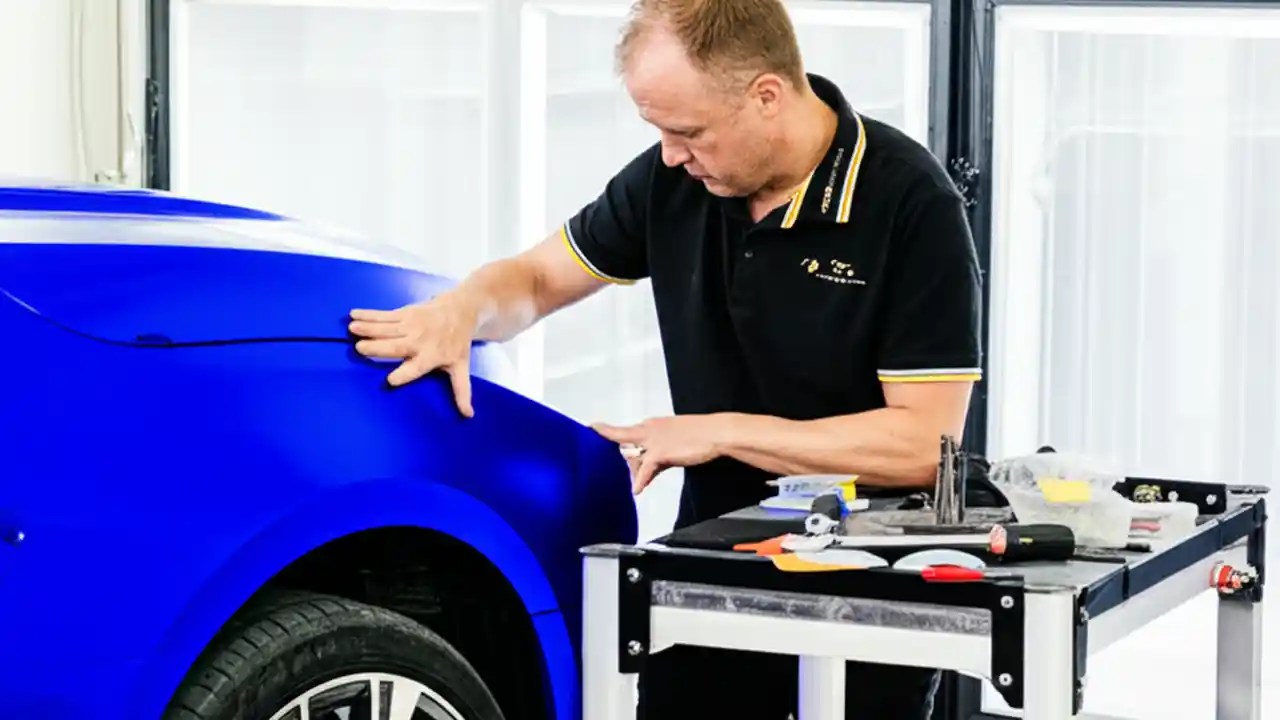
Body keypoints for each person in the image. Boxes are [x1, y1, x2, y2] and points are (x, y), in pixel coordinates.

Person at [348, 0, 983, 716]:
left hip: (872, 579)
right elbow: (536, 280)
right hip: (713, 562)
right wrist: (460, 311)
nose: (672, 154)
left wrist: (718, 431)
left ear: (766, 96)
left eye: (688, 132)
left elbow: (925, 444)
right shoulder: (674, 179)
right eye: (660, 131)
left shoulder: (910, 203)